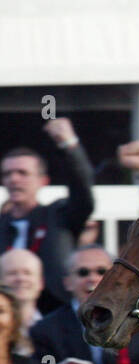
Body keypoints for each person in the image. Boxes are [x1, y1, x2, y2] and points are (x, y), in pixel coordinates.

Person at [0, 119, 96, 312]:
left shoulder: (58, 216)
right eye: (8, 174)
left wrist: (69, 145)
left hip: (56, 316)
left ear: (43, 180)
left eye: (22, 173)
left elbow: (83, 194)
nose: (14, 179)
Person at [0, 248, 44, 355]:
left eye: (27, 273)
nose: (20, 279)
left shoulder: (57, 328)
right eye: (12, 273)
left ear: (41, 283)